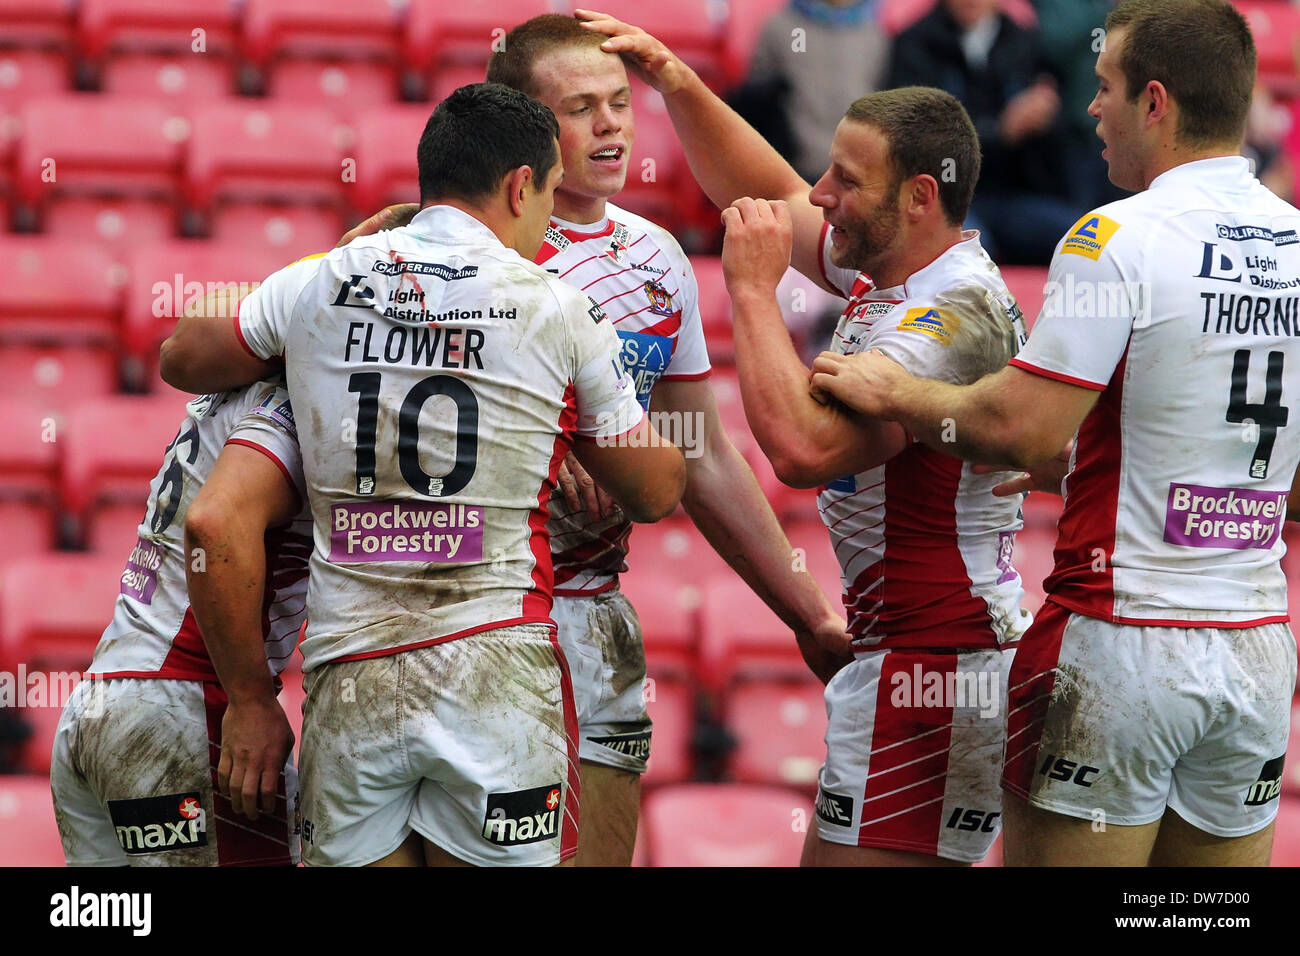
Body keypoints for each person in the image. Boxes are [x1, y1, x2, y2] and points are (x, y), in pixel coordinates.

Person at [809, 0, 1300, 865]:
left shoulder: (1119, 235)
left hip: (1119, 642)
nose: (1090, 108)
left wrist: (898, 390)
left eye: (1105, 87)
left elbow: (1016, 428)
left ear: (1156, 102)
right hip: (1256, 644)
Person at [159, 82, 686, 867]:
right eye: (545, 195)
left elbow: (181, 358)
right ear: (521, 186)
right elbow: (654, 491)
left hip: (351, 672)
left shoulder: (323, 279)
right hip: (494, 665)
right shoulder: (556, 306)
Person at [578, 10, 1031, 866]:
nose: (821, 193)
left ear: (918, 198)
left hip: (933, 666)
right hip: (913, 655)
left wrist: (749, 295)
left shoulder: (951, 316)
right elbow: (771, 197)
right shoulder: (901, 265)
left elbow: (802, 451)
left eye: (845, 179)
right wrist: (678, 82)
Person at [486, 14, 852, 866]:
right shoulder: (475, 254)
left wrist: (808, 615)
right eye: (582, 108)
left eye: (620, 102)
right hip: (481, 619)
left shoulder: (655, 257)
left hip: (597, 614)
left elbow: (701, 450)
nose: (612, 123)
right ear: (526, 132)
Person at [49, 378, 311, 866]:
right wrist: (250, 699)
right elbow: (214, 525)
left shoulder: (220, 396)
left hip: (100, 702)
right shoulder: (290, 406)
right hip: (185, 707)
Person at [888, 0, 1079, 264]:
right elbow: (916, 139)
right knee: (970, 249)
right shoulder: (914, 44)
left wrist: (1045, 116)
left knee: (1079, 239)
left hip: (1016, 196)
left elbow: (1058, 140)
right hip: (946, 199)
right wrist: (1000, 132)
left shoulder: (1025, 43)